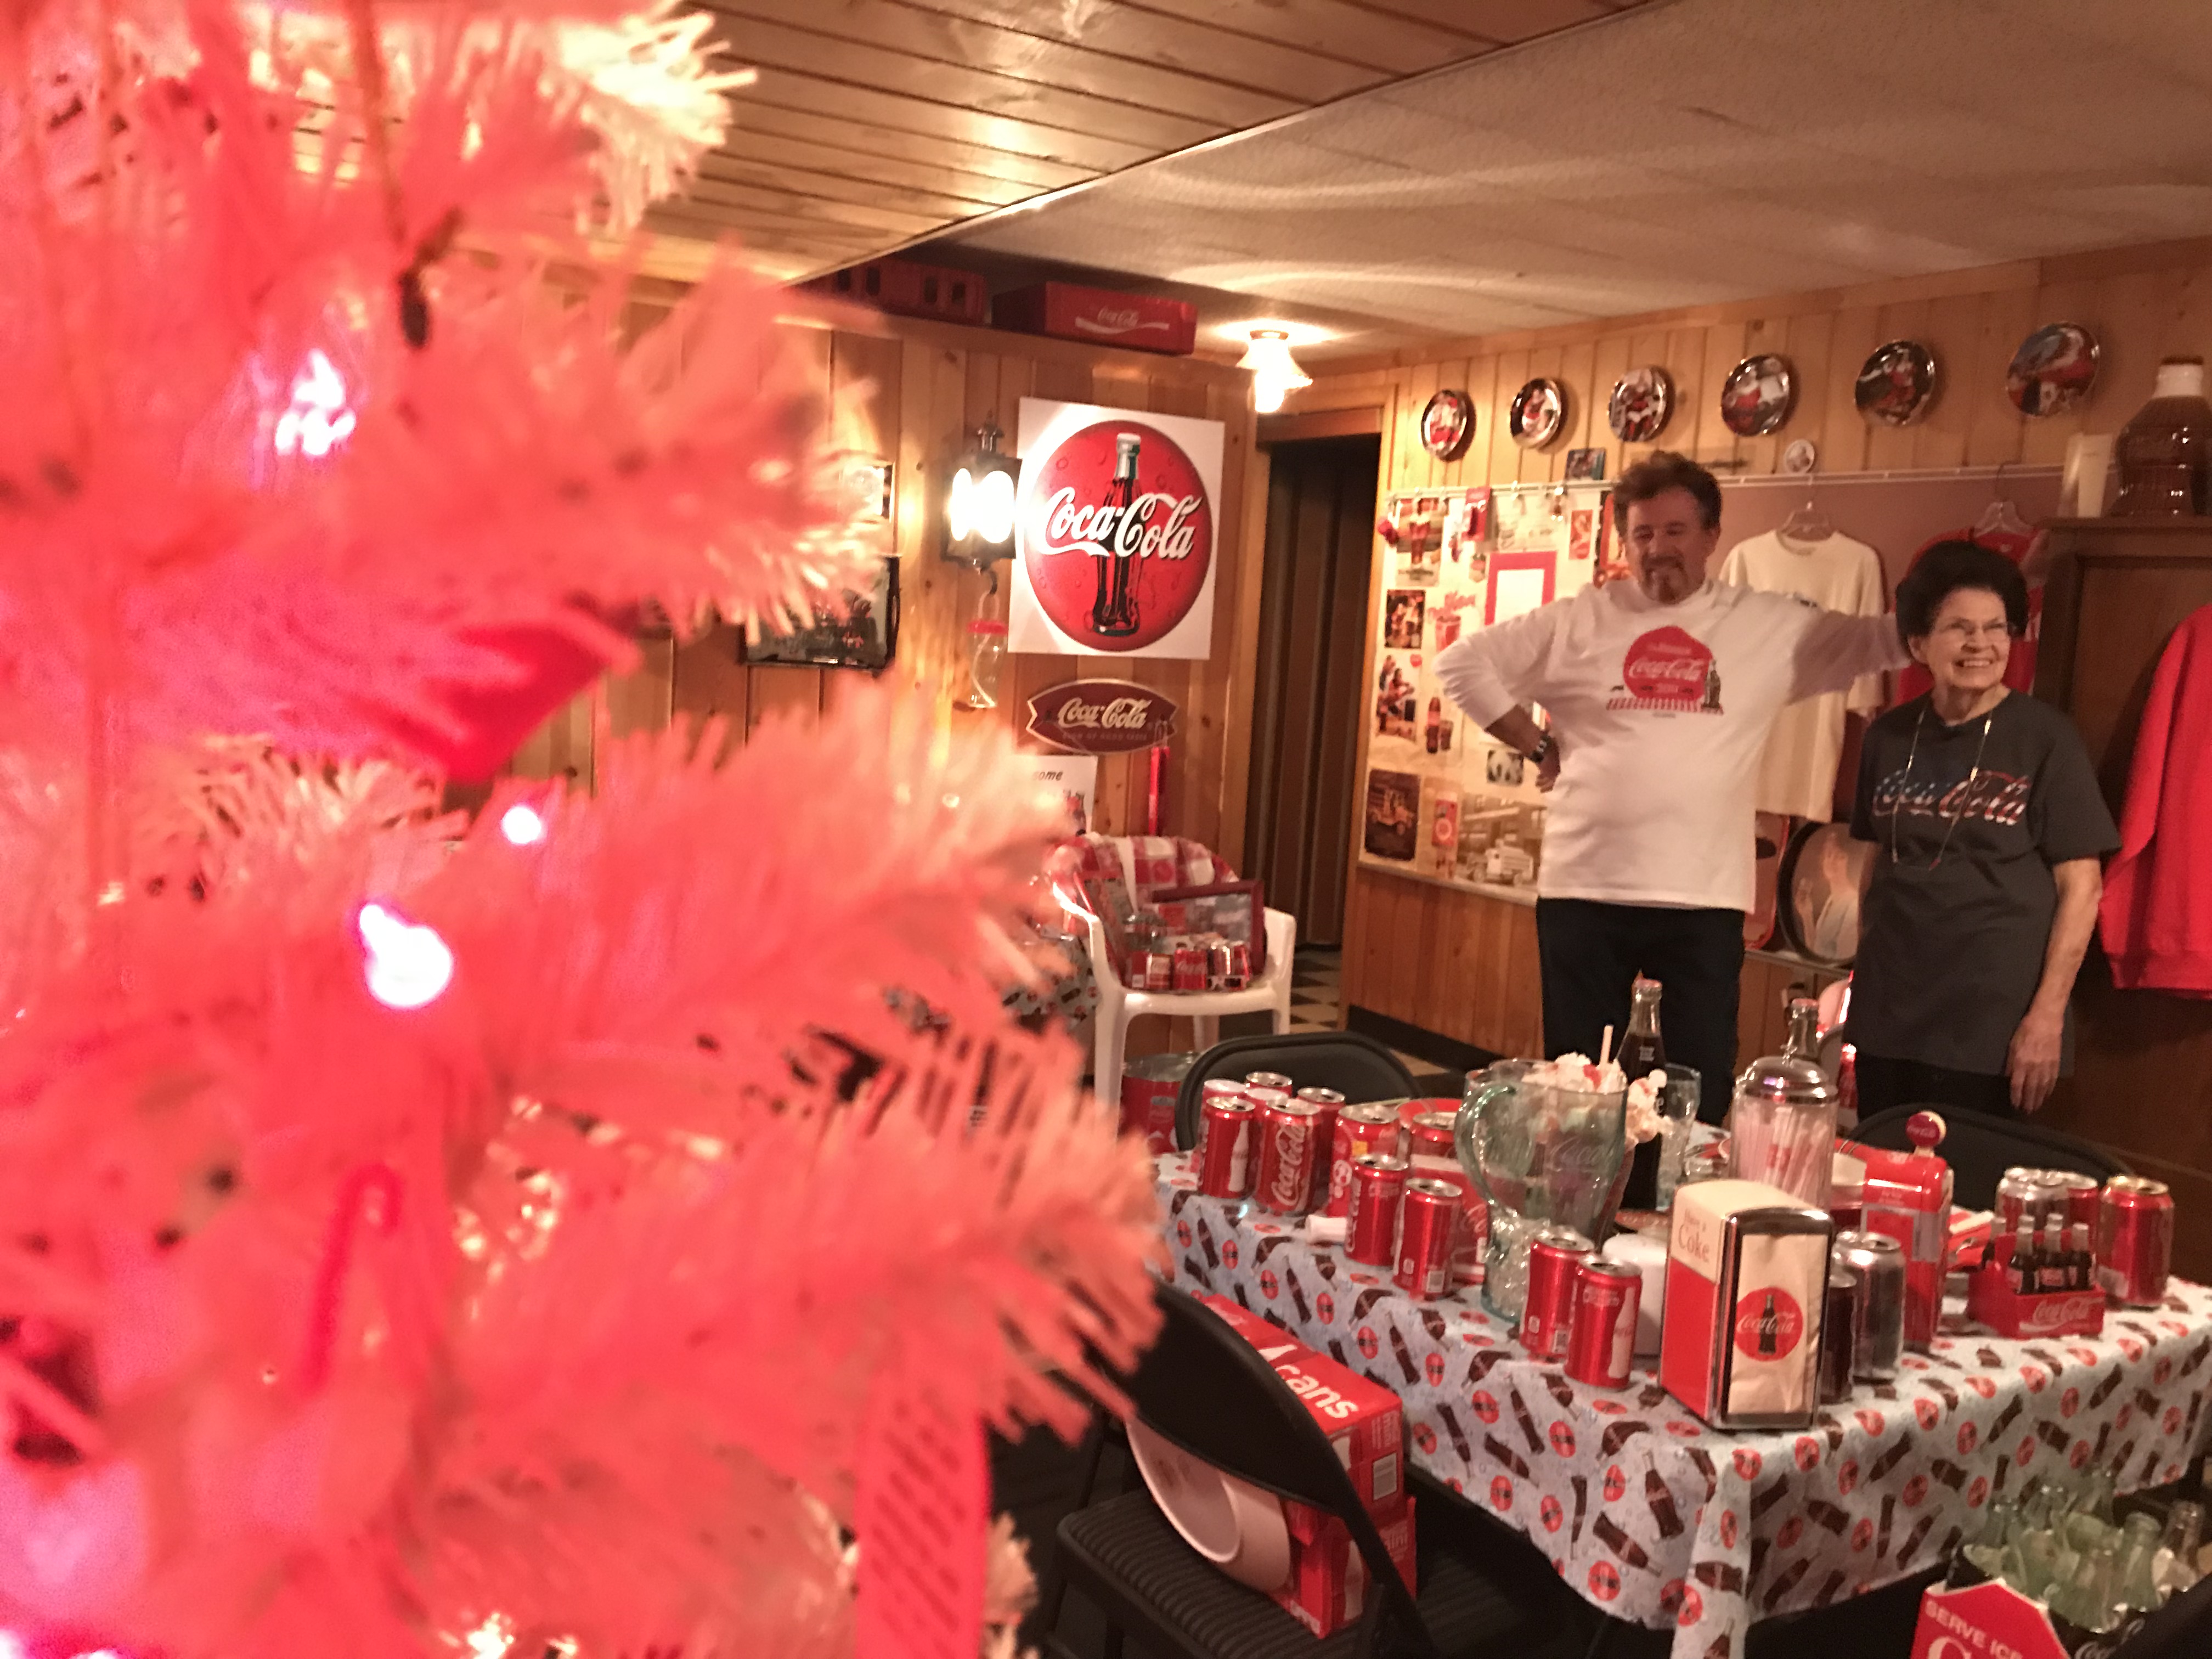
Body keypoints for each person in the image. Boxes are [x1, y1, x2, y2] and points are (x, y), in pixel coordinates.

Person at [1435, 452, 1908, 1117]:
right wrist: (1537, 743)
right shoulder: (1575, 621)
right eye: (1643, 535)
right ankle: (1583, 1212)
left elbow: (1881, 643)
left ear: (1712, 537)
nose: (1658, 550)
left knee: (1699, 1081)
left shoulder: (1766, 625)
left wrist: (1976, 605)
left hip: (1702, 896)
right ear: (1625, 541)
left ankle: (1685, 1213)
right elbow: (1461, 664)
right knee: (1578, 1083)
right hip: (1584, 888)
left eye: (1676, 532)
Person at [1847, 541, 2118, 1116]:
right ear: (1919, 642)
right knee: (1880, 1181)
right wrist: (1856, 980)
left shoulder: (2046, 738)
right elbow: (1874, 864)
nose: (1982, 644)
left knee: (1970, 1190)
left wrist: (2046, 1017)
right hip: (1888, 1014)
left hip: (1990, 1024)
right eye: (1959, 628)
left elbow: (2083, 888)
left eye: (1998, 628)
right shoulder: (1889, 736)